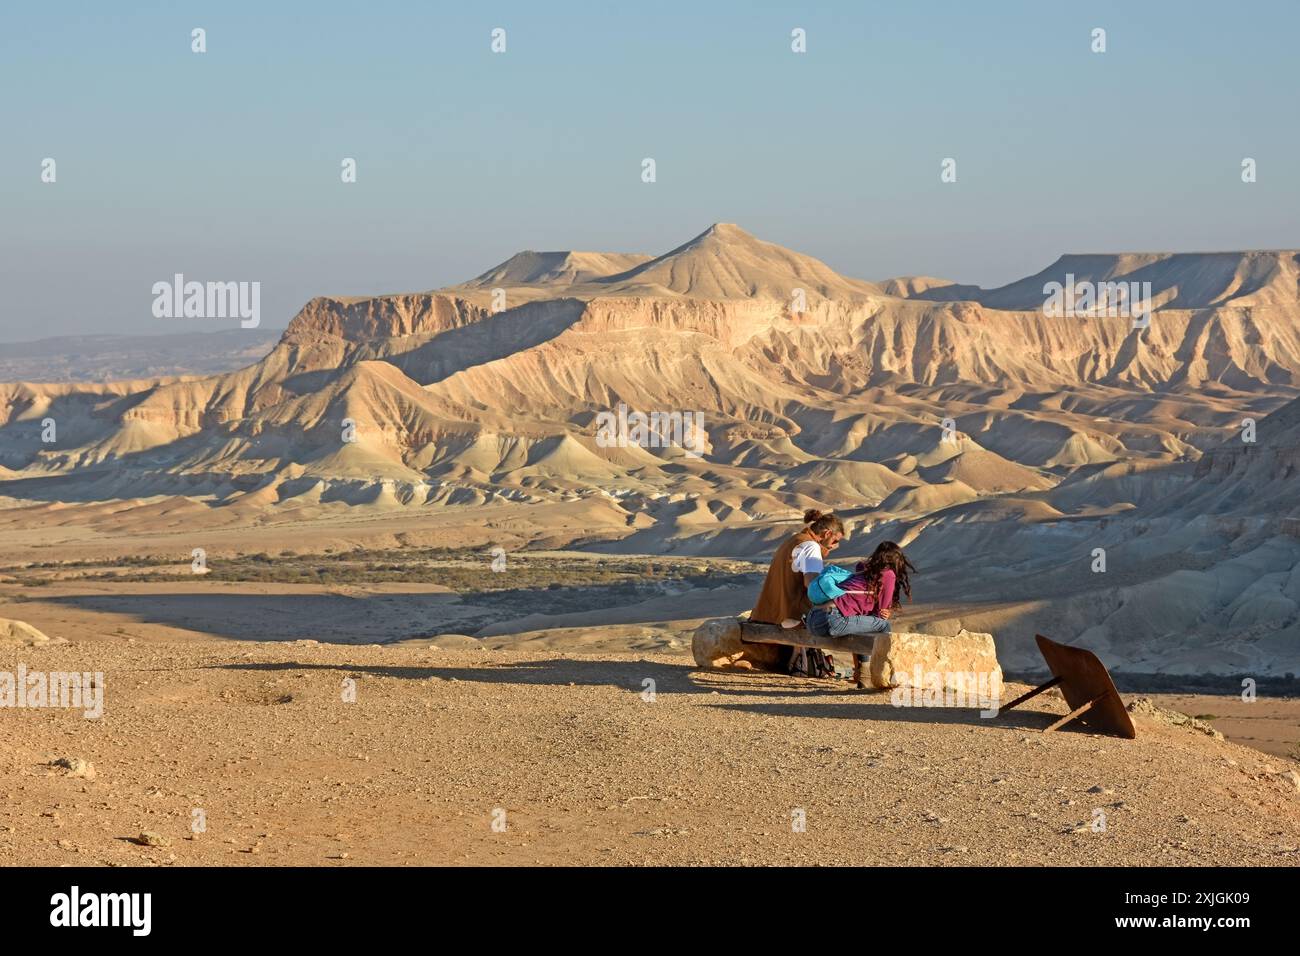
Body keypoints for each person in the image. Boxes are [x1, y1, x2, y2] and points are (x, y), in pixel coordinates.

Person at [805, 541, 917, 688]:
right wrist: (884, 611)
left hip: (813, 618)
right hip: (832, 619)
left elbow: (860, 575)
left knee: (864, 623)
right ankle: (879, 675)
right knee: (883, 626)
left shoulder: (863, 569)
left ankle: (863, 675)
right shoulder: (888, 574)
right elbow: (879, 614)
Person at [750, 510, 845, 677]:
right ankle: (861, 673)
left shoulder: (794, 540)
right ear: (827, 534)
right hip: (791, 614)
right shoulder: (811, 546)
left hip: (769, 613)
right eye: (835, 541)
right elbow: (813, 585)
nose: (834, 546)